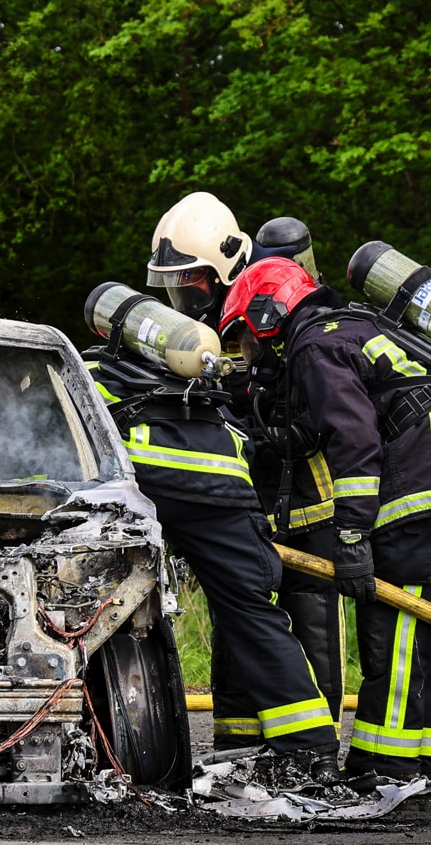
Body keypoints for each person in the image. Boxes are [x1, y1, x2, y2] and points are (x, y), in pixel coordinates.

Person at [220, 256, 431, 787]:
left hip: (427, 477)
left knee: (395, 628)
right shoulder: (359, 323)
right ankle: (420, 758)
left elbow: (352, 441)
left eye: (246, 334)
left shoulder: (312, 346)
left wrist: (352, 532)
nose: (248, 349)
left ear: (266, 312)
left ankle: (386, 766)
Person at [87, 193, 338, 776]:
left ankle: (300, 748)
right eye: (176, 286)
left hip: (291, 495)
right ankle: (268, 749)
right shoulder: (179, 340)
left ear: (229, 263)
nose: (187, 297)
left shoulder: (265, 302)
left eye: (195, 280)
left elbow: (301, 400)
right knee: (246, 613)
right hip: (229, 483)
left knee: (265, 614)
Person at [238, 216, 344, 722]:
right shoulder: (252, 313)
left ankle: (317, 740)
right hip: (264, 506)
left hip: (314, 502)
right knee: (256, 620)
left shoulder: (320, 325)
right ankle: (261, 738)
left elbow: (333, 416)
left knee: (316, 623)